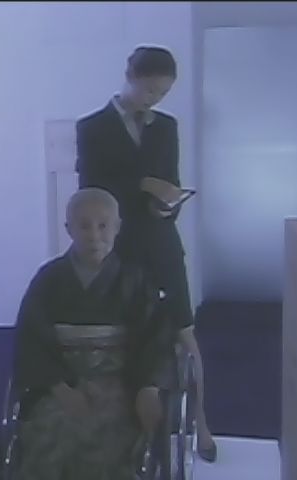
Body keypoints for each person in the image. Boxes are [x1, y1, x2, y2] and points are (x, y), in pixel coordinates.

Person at [75, 45, 218, 462]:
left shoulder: (166, 126)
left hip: (160, 241)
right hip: (116, 247)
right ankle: (127, 427)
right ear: (130, 77)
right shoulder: (93, 127)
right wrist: (142, 185)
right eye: (149, 90)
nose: (154, 99)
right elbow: (92, 191)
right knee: (125, 337)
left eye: (162, 93)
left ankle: (201, 422)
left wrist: (166, 204)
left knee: (184, 330)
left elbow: (170, 182)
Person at [12, 188, 175, 480]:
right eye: (84, 226)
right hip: (62, 383)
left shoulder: (135, 281)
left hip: (120, 383)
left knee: (115, 436)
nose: (94, 236)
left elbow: (154, 340)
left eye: (103, 226)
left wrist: (147, 388)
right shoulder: (48, 280)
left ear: (117, 227)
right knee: (49, 430)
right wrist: (61, 390)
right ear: (69, 229)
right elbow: (31, 341)